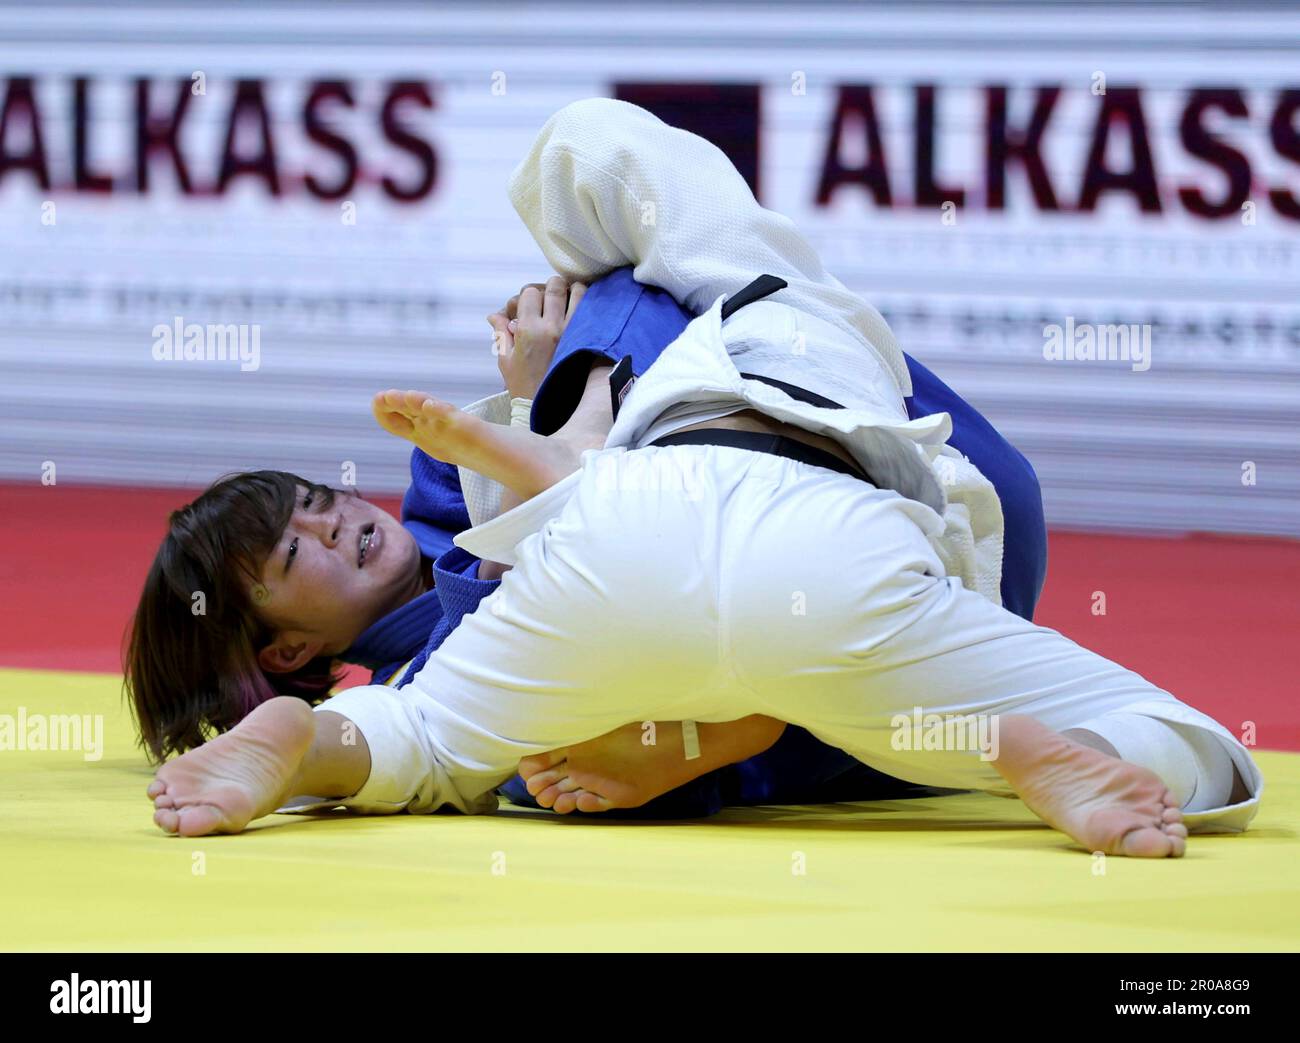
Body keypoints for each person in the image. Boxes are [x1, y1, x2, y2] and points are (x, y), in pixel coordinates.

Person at [146, 100, 1261, 856]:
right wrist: (564, 375)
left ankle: (320, 740)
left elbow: (529, 759)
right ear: (286, 649)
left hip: (631, 557)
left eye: (320, 502)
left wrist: (697, 740)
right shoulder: (748, 301)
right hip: (796, 496)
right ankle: (1063, 754)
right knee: (601, 170)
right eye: (296, 550)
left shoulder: (445, 508)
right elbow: (605, 161)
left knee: (419, 742)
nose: (337, 524)